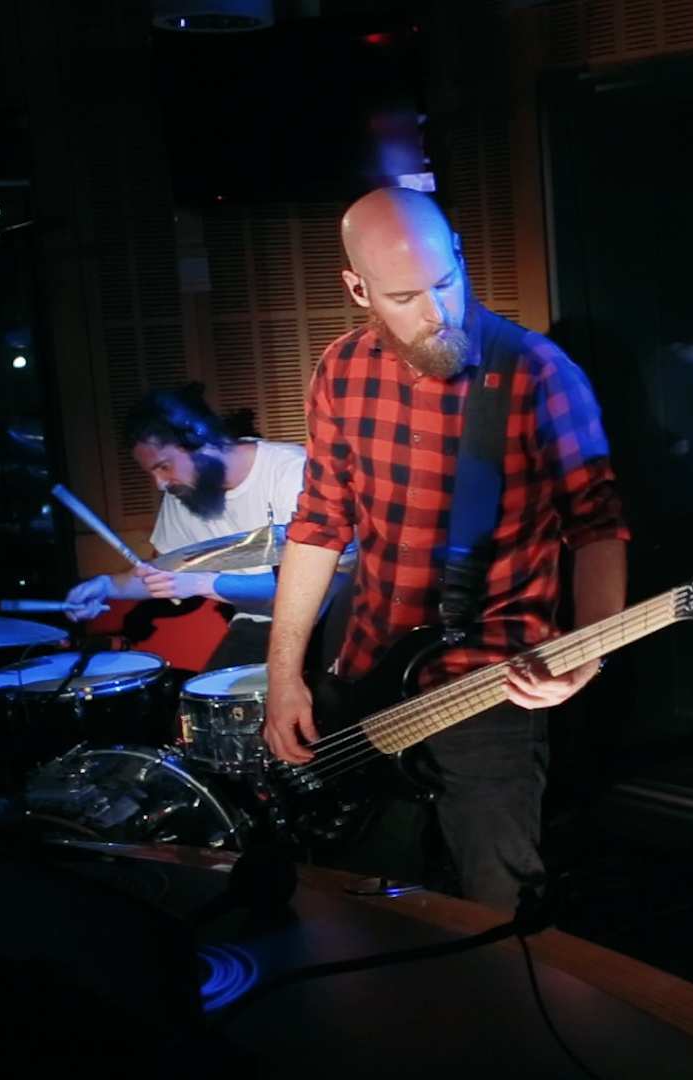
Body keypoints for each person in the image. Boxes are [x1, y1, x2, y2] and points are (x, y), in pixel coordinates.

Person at [261, 187, 628, 911]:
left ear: (460, 257)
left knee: (498, 914)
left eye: (446, 281)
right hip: (365, 682)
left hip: (490, 687)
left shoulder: (536, 372)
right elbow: (319, 525)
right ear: (358, 290)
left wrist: (588, 652)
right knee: (360, 910)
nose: (437, 312)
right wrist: (284, 676)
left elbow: (598, 528)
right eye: (405, 297)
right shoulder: (340, 369)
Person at [62, 384, 306, 670]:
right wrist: (106, 587)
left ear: (201, 439)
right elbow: (165, 575)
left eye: (164, 467)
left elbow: (310, 584)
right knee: (203, 696)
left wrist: (203, 583)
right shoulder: (183, 496)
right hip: (261, 625)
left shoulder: (291, 472)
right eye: (152, 472)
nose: (160, 484)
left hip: (326, 620)